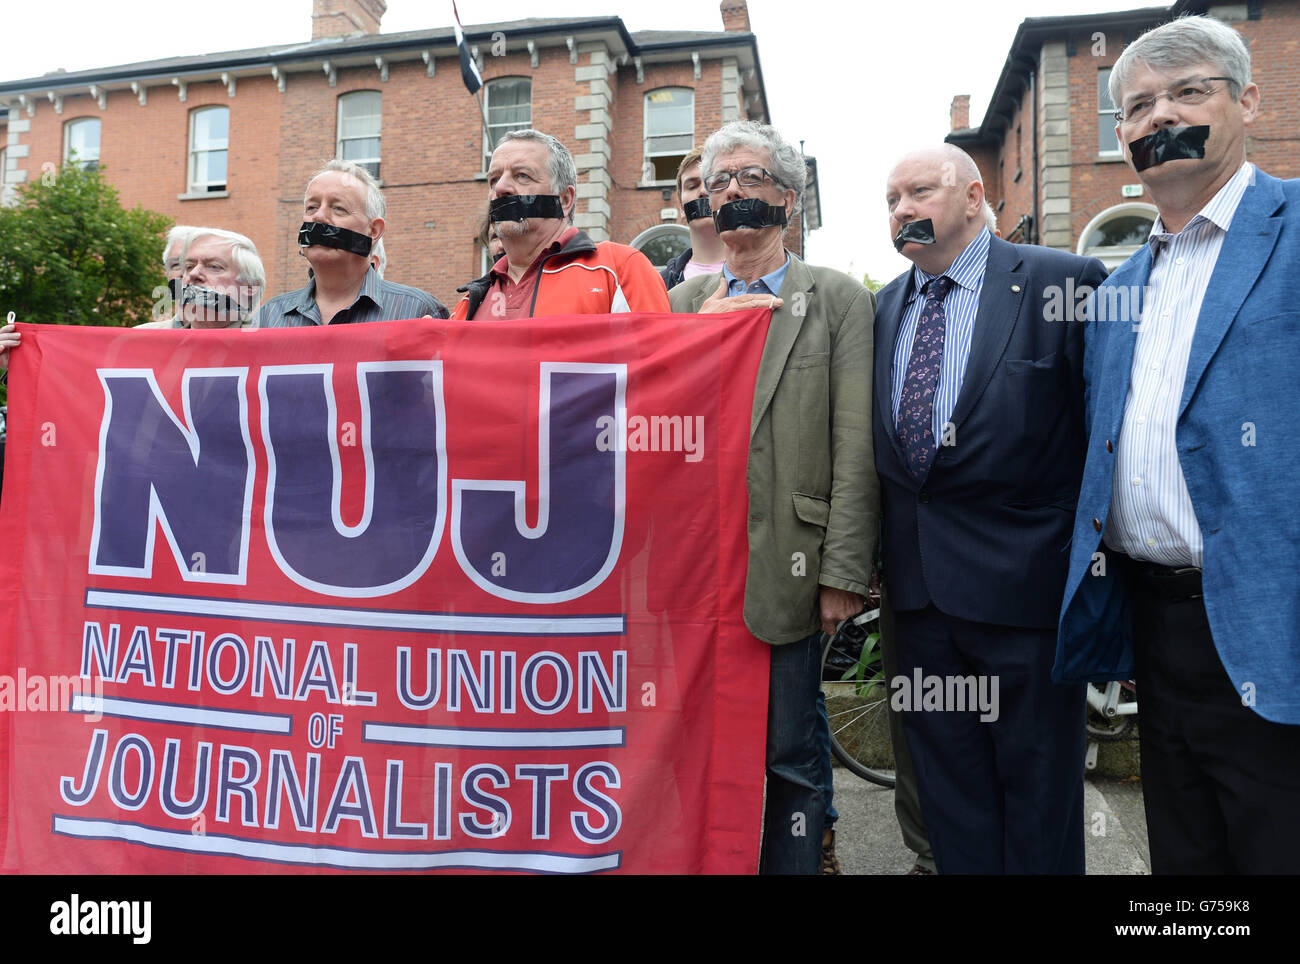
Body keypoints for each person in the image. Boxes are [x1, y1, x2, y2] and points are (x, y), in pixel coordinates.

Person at [1056, 14, 1300, 874]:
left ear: (1249, 101)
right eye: (1138, 106)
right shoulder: (1119, 287)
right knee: (1185, 870)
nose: (1160, 116)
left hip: (1277, 628)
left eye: (1189, 91)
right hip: (1156, 634)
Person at [876, 143, 1107, 874]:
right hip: (920, 607)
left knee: (1040, 799)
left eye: (918, 192)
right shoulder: (881, 307)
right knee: (951, 801)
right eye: (891, 201)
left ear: (974, 197)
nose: (902, 210)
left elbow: (1104, 437)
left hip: (1026, 603)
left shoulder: (1063, 283)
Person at [669, 120, 876, 875]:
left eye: (751, 179)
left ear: (788, 200)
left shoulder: (838, 300)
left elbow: (855, 441)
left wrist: (843, 572)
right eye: (719, 182)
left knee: (790, 747)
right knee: (697, 746)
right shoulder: (683, 299)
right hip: (695, 567)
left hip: (789, 560)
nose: (732, 191)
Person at [451, 129, 669, 319]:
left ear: (564, 200)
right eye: (494, 179)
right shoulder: (470, 302)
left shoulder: (619, 269)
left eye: (522, 176)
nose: (500, 188)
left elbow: (660, 361)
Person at [255, 159, 446, 327]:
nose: (319, 216)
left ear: (373, 231)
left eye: (339, 208)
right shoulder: (269, 317)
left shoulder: (417, 311)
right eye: (311, 207)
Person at [137, 229, 265, 329]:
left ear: (249, 287)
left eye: (214, 266)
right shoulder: (139, 343)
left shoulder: (271, 347)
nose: (193, 274)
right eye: (189, 266)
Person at [660, 148, 725, 290]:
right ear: (681, 207)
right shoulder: (660, 284)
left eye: (713, 183)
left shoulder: (759, 272)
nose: (703, 191)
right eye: (692, 186)